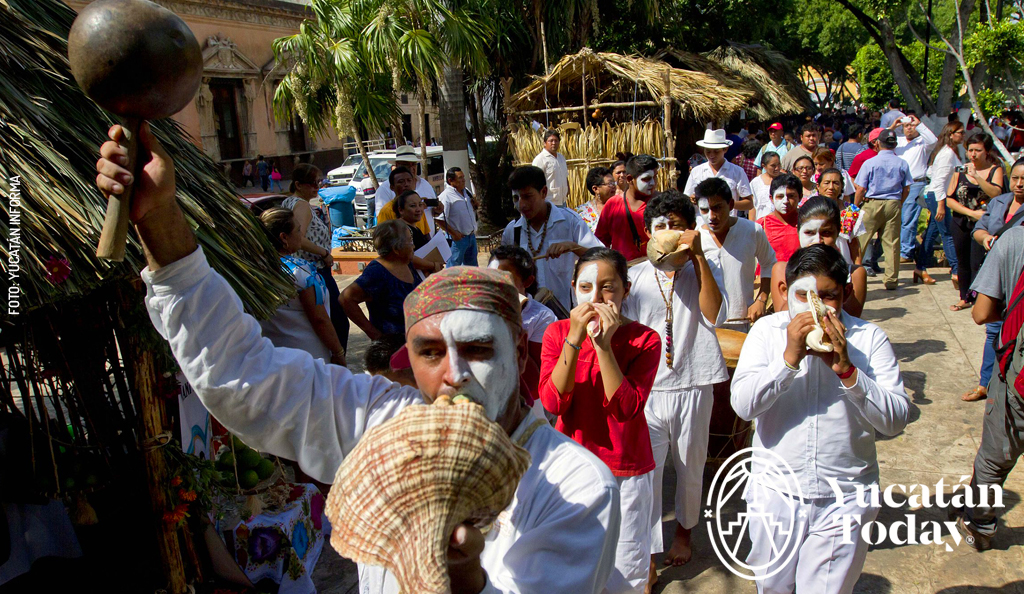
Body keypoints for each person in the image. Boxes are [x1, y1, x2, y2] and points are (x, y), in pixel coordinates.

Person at [96, 123, 622, 594]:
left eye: (480, 349)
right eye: (430, 352)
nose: (455, 375)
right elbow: (242, 377)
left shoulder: (576, 485)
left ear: (521, 349)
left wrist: (463, 580)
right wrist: (162, 219)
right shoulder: (381, 418)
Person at [732, 244, 909, 593]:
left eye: (828, 296)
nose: (816, 307)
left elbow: (894, 420)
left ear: (845, 294)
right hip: (776, 494)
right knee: (772, 586)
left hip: (845, 496)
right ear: (785, 291)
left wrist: (849, 372)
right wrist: (787, 360)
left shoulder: (869, 339)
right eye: (803, 295)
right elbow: (743, 405)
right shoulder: (766, 333)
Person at [540, 248, 662, 594]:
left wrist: (604, 347)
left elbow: (626, 408)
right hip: (574, 468)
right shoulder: (558, 334)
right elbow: (552, 402)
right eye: (585, 287)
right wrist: (575, 341)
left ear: (625, 289)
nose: (596, 299)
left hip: (626, 470)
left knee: (625, 567)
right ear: (574, 289)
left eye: (608, 288)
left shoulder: (644, 340)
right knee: (572, 564)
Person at [621, 191, 728, 578]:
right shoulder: (633, 277)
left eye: (676, 225)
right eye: (660, 226)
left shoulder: (704, 265)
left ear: (689, 230)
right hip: (648, 388)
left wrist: (697, 256)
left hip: (693, 382)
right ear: (648, 233)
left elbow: (714, 315)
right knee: (645, 474)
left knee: (690, 466)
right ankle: (647, 555)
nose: (667, 232)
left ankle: (684, 532)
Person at [952, 221, 1024, 549]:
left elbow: (981, 313)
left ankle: (980, 524)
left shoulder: (1014, 240)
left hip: (1017, 378)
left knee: (996, 455)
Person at [961, 158, 1024, 402]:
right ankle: (986, 382)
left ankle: (1002, 382)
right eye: (1016, 178)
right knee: (993, 331)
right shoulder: (999, 202)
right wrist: (985, 237)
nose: (1019, 184)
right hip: (994, 274)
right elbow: (979, 227)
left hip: (1016, 281)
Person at [501, 165, 603, 312]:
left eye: (527, 197)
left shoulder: (569, 222)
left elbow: (602, 258)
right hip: (527, 316)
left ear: (543, 192)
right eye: (516, 198)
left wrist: (573, 246)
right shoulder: (512, 230)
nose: (521, 205)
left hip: (563, 313)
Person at [257, 208, 346, 365]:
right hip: (308, 358)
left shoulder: (254, 268)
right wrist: (338, 352)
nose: (301, 235)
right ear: (284, 237)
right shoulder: (300, 272)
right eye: (298, 230)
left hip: (272, 355)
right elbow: (320, 319)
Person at [281, 163, 350, 354]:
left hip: (307, 269)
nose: (317, 187)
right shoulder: (301, 205)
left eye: (318, 182)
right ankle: (337, 359)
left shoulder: (290, 202)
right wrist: (324, 253)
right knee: (337, 322)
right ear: (298, 184)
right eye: (312, 183)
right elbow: (298, 238)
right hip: (314, 271)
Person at [695, 178, 776, 332]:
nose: (711, 216)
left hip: (740, 321)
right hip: (704, 324)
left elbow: (769, 263)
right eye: (705, 210)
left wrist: (761, 299)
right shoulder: (696, 238)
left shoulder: (752, 230)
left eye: (717, 208)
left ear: (731, 205)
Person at [488, 246, 557, 417]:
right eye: (490, 276)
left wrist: (512, 324)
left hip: (527, 402)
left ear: (527, 282)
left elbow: (535, 375)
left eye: (505, 278)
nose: (496, 284)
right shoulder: (481, 308)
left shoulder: (541, 316)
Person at [771, 196, 868, 317]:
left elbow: (848, 320)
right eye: (809, 232)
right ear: (798, 231)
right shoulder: (781, 270)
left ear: (838, 232)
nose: (818, 240)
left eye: (826, 233)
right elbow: (784, 316)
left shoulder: (855, 274)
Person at [946, 132, 1006, 311]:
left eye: (977, 150)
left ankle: (979, 298)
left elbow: (996, 193)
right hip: (962, 221)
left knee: (977, 262)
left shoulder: (996, 169)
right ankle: (965, 296)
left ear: (986, 151)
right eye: (970, 150)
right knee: (962, 261)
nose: (973, 154)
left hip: (984, 224)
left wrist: (978, 177)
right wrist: (970, 212)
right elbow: (950, 198)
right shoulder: (960, 170)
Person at [340, 220, 422, 340]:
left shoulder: (405, 262)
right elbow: (346, 299)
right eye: (410, 241)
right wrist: (375, 334)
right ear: (396, 248)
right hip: (393, 347)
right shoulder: (377, 272)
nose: (413, 246)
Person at [854, 129, 913, 290]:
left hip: (872, 203)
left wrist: (855, 206)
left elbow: (860, 188)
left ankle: (853, 274)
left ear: (878, 143)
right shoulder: (902, 163)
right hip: (893, 202)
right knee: (892, 243)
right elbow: (907, 188)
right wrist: (899, 202)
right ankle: (891, 279)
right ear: (894, 144)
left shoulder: (870, 163)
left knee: (860, 241)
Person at [916, 121, 965, 287]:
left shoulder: (947, 151)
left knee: (931, 233)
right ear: (951, 134)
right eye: (960, 133)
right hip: (938, 197)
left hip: (936, 196)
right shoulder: (947, 154)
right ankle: (957, 270)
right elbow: (939, 182)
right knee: (947, 234)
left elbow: (932, 173)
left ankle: (920, 266)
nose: (963, 136)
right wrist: (941, 205)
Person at [892, 114, 939, 263]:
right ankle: (899, 248)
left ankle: (906, 252)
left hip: (915, 183)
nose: (909, 128)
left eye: (912, 126)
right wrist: (893, 126)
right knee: (895, 219)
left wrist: (919, 124)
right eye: (907, 126)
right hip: (896, 183)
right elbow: (878, 139)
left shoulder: (922, 143)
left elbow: (934, 140)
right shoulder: (897, 141)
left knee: (908, 218)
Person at [596, 155, 659, 260]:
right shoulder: (612, 205)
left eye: (655, 177)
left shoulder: (662, 204)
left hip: (655, 271)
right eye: (646, 179)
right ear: (630, 179)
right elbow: (601, 244)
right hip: (623, 271)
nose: (653, 183)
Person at [684, 129, 754, 214]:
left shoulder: (737, 172)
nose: (711, 155)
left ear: (725, 149)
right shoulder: (696, 172)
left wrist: (727, 204)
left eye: (716, 151)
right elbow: (686, 198)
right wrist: (692, 199)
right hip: (702, 224)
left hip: (728, 224)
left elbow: (749, 203)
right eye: (708, 151)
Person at [372, 145, 439, 232]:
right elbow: (383, 223)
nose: (411, 168)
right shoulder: (384, 190)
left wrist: (437, 211)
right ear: (397, 165)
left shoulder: (425, 184)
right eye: (407, 165)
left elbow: (430, 216)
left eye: (414, 164)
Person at [438, 167, 479, 266]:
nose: (463, 180)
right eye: (460, 178)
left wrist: (475, 204)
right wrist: (454, 234)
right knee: (453, 268)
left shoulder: (466, 191)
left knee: (472, 268)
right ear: (450, 181)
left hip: (471, 236)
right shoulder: (446, 196)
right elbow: (439, 219)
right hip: (458, 240)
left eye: (463, 177)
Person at [757, 174, 802, 263]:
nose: (786, 201)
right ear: (771, 198)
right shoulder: (761, 225)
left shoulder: (807, 222)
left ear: (800, 197)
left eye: (791, 196)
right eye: (780, 196)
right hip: (769, 276)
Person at [376, 167, 433, 237]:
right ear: (392, 187)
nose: (406, 184)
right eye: (401, 182)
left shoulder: (418, 206)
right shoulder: (386, 211)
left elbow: (426, 234)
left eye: (409, 180)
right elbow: (382, 239)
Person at [532, 129, 570, 207]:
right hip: (548, 202)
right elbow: (535, 181)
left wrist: (567, 189)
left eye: (556, 141)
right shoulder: (540, 159)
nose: (554, 143)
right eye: (551, 141)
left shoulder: (561, 158)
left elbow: (565, 176)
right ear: (544, 143)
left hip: (562, 202)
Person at [577, 166, 615, 233]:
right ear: (595, 189)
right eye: (609, 183)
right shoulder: (581, 213)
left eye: (614, 183)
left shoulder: (622, 207)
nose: (614, 186)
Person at [750, 151, 782, 220]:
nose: (777, 168)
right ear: (764, 166)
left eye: (778, 164)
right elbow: (752, 207)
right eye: (773, 166)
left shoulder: (786, 180)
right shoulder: (755, 183)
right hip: (762, 224)